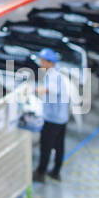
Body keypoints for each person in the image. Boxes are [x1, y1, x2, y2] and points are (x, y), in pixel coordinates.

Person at [33, 48, 70, 182]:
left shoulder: (53, 75)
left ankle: (40, 173)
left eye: (42, 61)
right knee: (59, 145)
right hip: (61, 117)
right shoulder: (55, 73)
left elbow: (50, 90)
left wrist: (33, 90)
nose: (40, 63)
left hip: (53, 119)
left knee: (46, 146)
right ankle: (55, 172)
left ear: (50, 63)